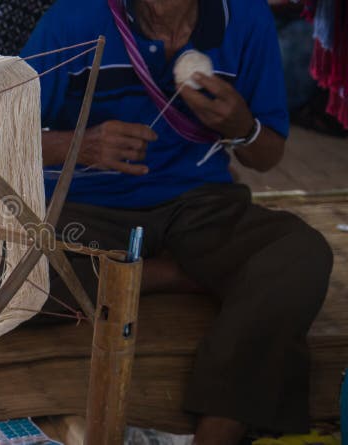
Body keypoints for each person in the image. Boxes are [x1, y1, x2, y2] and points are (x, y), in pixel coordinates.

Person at [20, 0, 333, 443]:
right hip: (87, 207)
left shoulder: (245, 18)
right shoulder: (73, 20)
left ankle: (219, 428)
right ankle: (173, 273)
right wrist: (81, 144)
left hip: (199, 203)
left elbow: (266, 155)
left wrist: (241, 125)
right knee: (6, 279)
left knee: (299, 255)